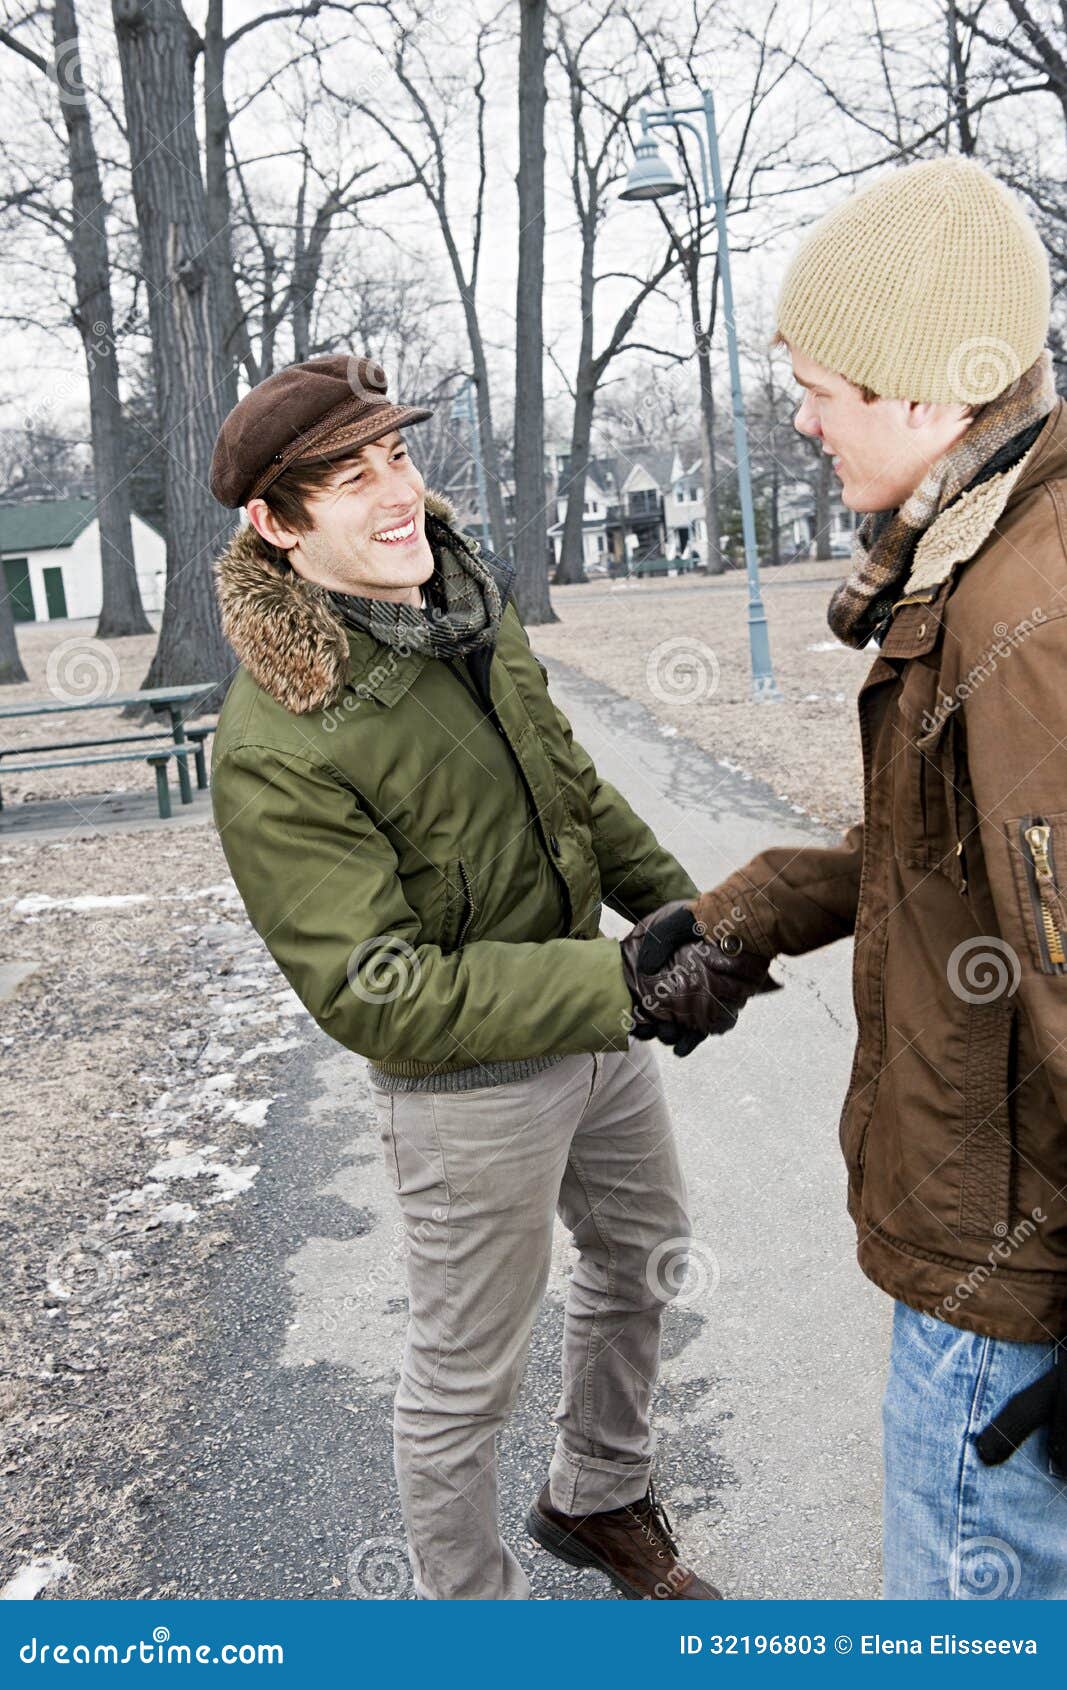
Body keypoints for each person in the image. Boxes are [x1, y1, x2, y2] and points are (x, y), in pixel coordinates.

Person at [206, 353, 771, 1600]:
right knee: (465, 1373)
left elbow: (571, 784)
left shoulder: (466, 603)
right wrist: (619, 979)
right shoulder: (274, 742)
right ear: (276, 524)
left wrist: (690, 920)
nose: (393, 491)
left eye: (395, 458)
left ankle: (598, 1495)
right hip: (469, 1087)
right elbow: (374, 987)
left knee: (641, 1255)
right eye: (347, 480)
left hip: (596, 1023)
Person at [639, 157, 1067, 1599]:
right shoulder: (981, 550)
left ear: (926, 395)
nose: (801, 415)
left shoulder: (1027, 603)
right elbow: (941, 861)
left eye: (821, 384)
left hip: (1003, 1273)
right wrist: (740, 917)